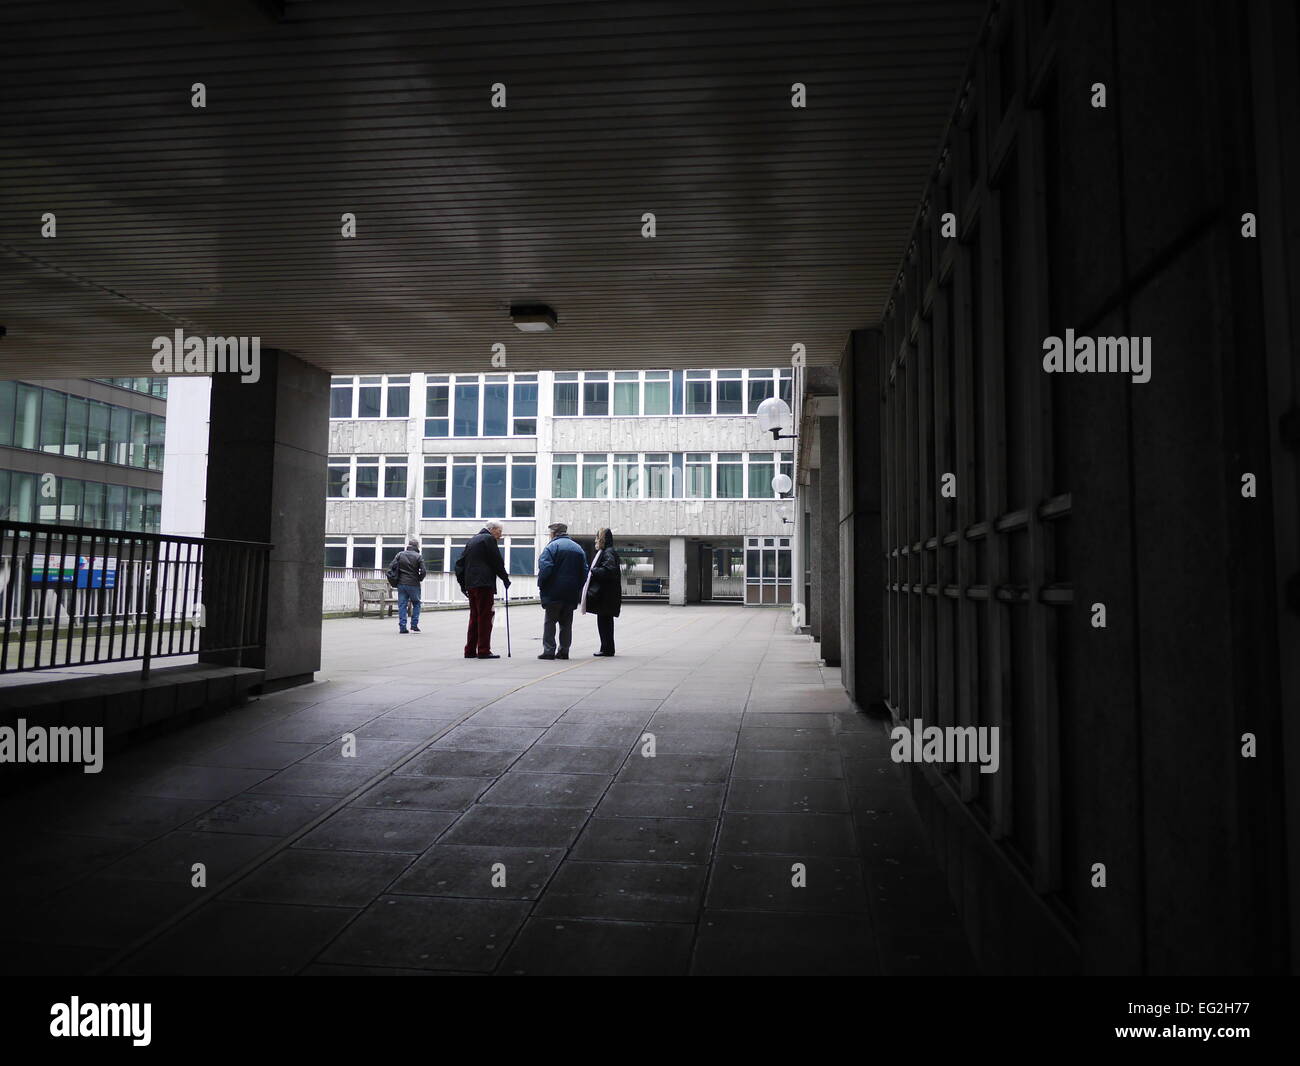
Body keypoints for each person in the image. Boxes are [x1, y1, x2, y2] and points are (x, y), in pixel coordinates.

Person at [455, 520, 510, 659]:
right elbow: (496, 561)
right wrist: (505, 578)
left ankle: (470, 650)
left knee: (474, 617)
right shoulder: (488, 539)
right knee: (485, 617)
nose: (500, 535)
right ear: (493, 529)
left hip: (471, 585)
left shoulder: (472, 540)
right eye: (500, 531)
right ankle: (484, 650)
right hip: (484, 584)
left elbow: (459, 564)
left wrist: (463, 585)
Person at [535, 522, 587, 660]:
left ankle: (549, 650)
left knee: (550, 621)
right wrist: (577, 587)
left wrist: (541, 584)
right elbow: (584, 572)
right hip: (571, 593)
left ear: (553, 533)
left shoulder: (552, 547)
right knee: (566, 623)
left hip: (554, 591)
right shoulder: (578, 549)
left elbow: (545, 568)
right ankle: (564, 651)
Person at [583, 526, 622, 656]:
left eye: (597, 538)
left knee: (604, 622)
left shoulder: (608, 552)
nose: (595, 541)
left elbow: (608, 571)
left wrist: (593, 570)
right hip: (608, 595)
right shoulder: (608, 552)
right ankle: (606, 648)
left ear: (603, 539)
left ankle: (607, 649)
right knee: (605, 622)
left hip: (606, 596)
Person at [387, 537, 426, 634]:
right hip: (414, 584)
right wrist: (419, 578)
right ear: (416, 546)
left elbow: (391, 567)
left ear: (409, 545)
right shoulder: (418, 556)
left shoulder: (400, 555)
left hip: (401, 584)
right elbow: (424, 571)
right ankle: (414, 625)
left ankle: (402, 627)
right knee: (416, 603)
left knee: (402, 605)